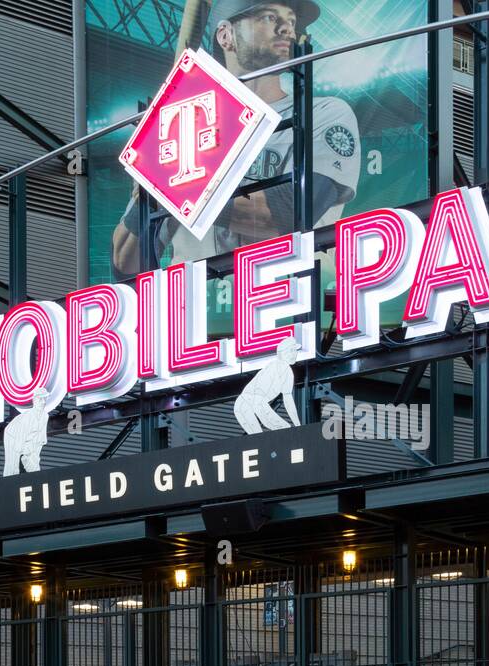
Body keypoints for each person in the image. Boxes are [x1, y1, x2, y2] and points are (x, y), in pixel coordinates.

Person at [112, 0, 361, 279]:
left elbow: (289, 214)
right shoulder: (182, 131)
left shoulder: (323, 112)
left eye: (291, 21)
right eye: (269, 17)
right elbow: (126, 261)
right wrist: (154, 193)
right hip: (193, 310)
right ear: (226, 36)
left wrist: (173, 188)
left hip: (283, 305)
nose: (286, 29)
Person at [234, 335, 300, 433]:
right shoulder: (280, 367)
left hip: (241, 403)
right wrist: (298, 426)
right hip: (252, 401)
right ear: (282, 353)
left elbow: (288, 399)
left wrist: (298, 425)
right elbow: (287, 400)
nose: (295, 354)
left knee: (258, 439)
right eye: (291, 350)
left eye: (295, 350)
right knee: (284, 430)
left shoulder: (282, 369)